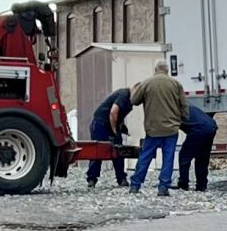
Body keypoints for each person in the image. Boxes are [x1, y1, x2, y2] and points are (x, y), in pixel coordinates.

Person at [125, 61, 187, 197]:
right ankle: (163, 187)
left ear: (155, 70)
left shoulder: (147, 83)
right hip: (171, 129)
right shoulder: (176, 84)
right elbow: (183, 105)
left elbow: (134, 100)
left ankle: (135, 185)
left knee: (145, 156)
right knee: (168, 158)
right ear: (167, 70)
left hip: (153, 128)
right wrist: (183, 120)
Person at [84, 86, 132, 187]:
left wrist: (121, 125)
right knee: (98, 150)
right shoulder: (124, 94)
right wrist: (114, 130)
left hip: (106, 122)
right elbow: (113, 112)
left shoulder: (127, 98)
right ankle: (92, 178)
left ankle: (120, 178)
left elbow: (118, 113)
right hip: (101, 123)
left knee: (118, 150)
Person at [175, 104, 218, 192]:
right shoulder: (188, 106)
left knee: (184, 156)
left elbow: (171, 127)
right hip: (211, 127)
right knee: (202, 157)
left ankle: (183, 184)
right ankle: (201, 185)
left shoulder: (174, 111)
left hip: (199, 129)